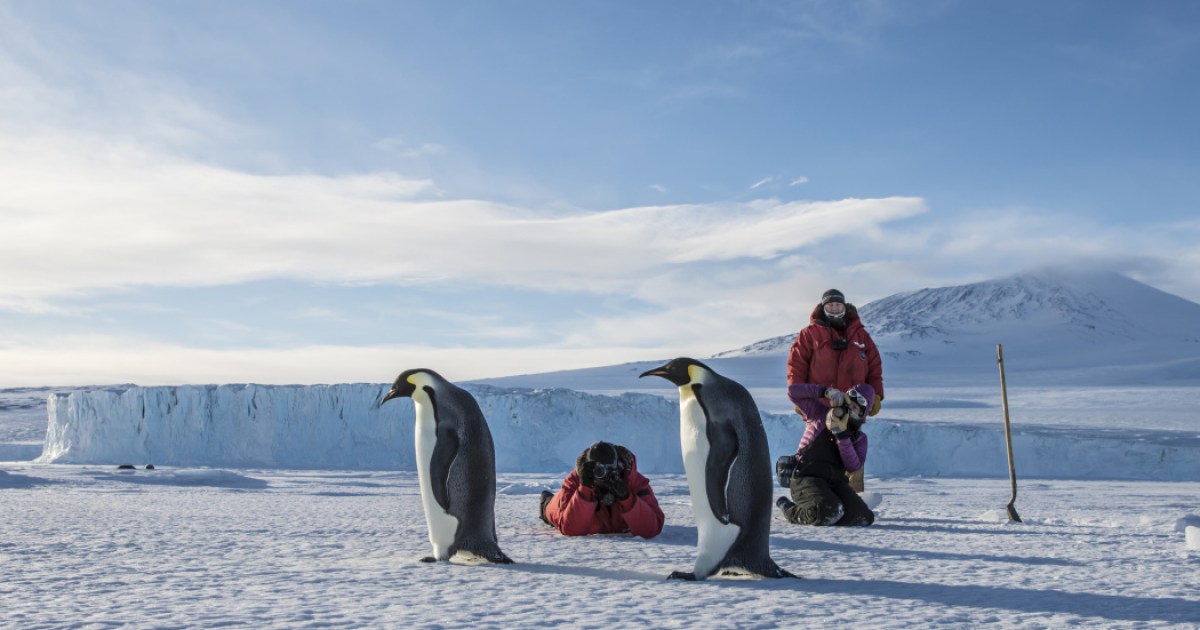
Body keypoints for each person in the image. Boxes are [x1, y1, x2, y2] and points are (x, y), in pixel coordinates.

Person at [787, 288, 884, 492]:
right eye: (830, 305)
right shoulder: (809, 334)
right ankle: (813, 493)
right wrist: (804, 394)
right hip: (820, 405)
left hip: (853, 408)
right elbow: (796, 366)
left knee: (850, 454)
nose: (834, 309)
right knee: (819, 449)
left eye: (838, 305)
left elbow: (874, 368)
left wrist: (876, 395)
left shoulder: (860, 336)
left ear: (844, 307)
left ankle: (853, 496)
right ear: (823, 308)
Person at [777, 383, 875, 526]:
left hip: (835, 483)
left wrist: (842, 435)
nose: (850, 408)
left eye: (855, 407)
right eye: (849, 402)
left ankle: (829, 507)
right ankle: (788, 508)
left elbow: (853, 466)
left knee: (863, 517)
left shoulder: (859, 438)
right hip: (806, 477)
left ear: (862, 414)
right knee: (828, 511)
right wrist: (825, 391)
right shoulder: (819, 413)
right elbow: (793, 392)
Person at [539, 441, 665, 539]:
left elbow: (652, 529)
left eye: (608, 470)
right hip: (566, 506)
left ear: (620, 468)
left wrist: (627, 498)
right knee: (551, 509)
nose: (603, 476)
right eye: (598, 471)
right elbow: (571, 529)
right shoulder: (577, 480)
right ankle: (545, 501)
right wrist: (584, 489)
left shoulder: (633, 481)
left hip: (607, 521)